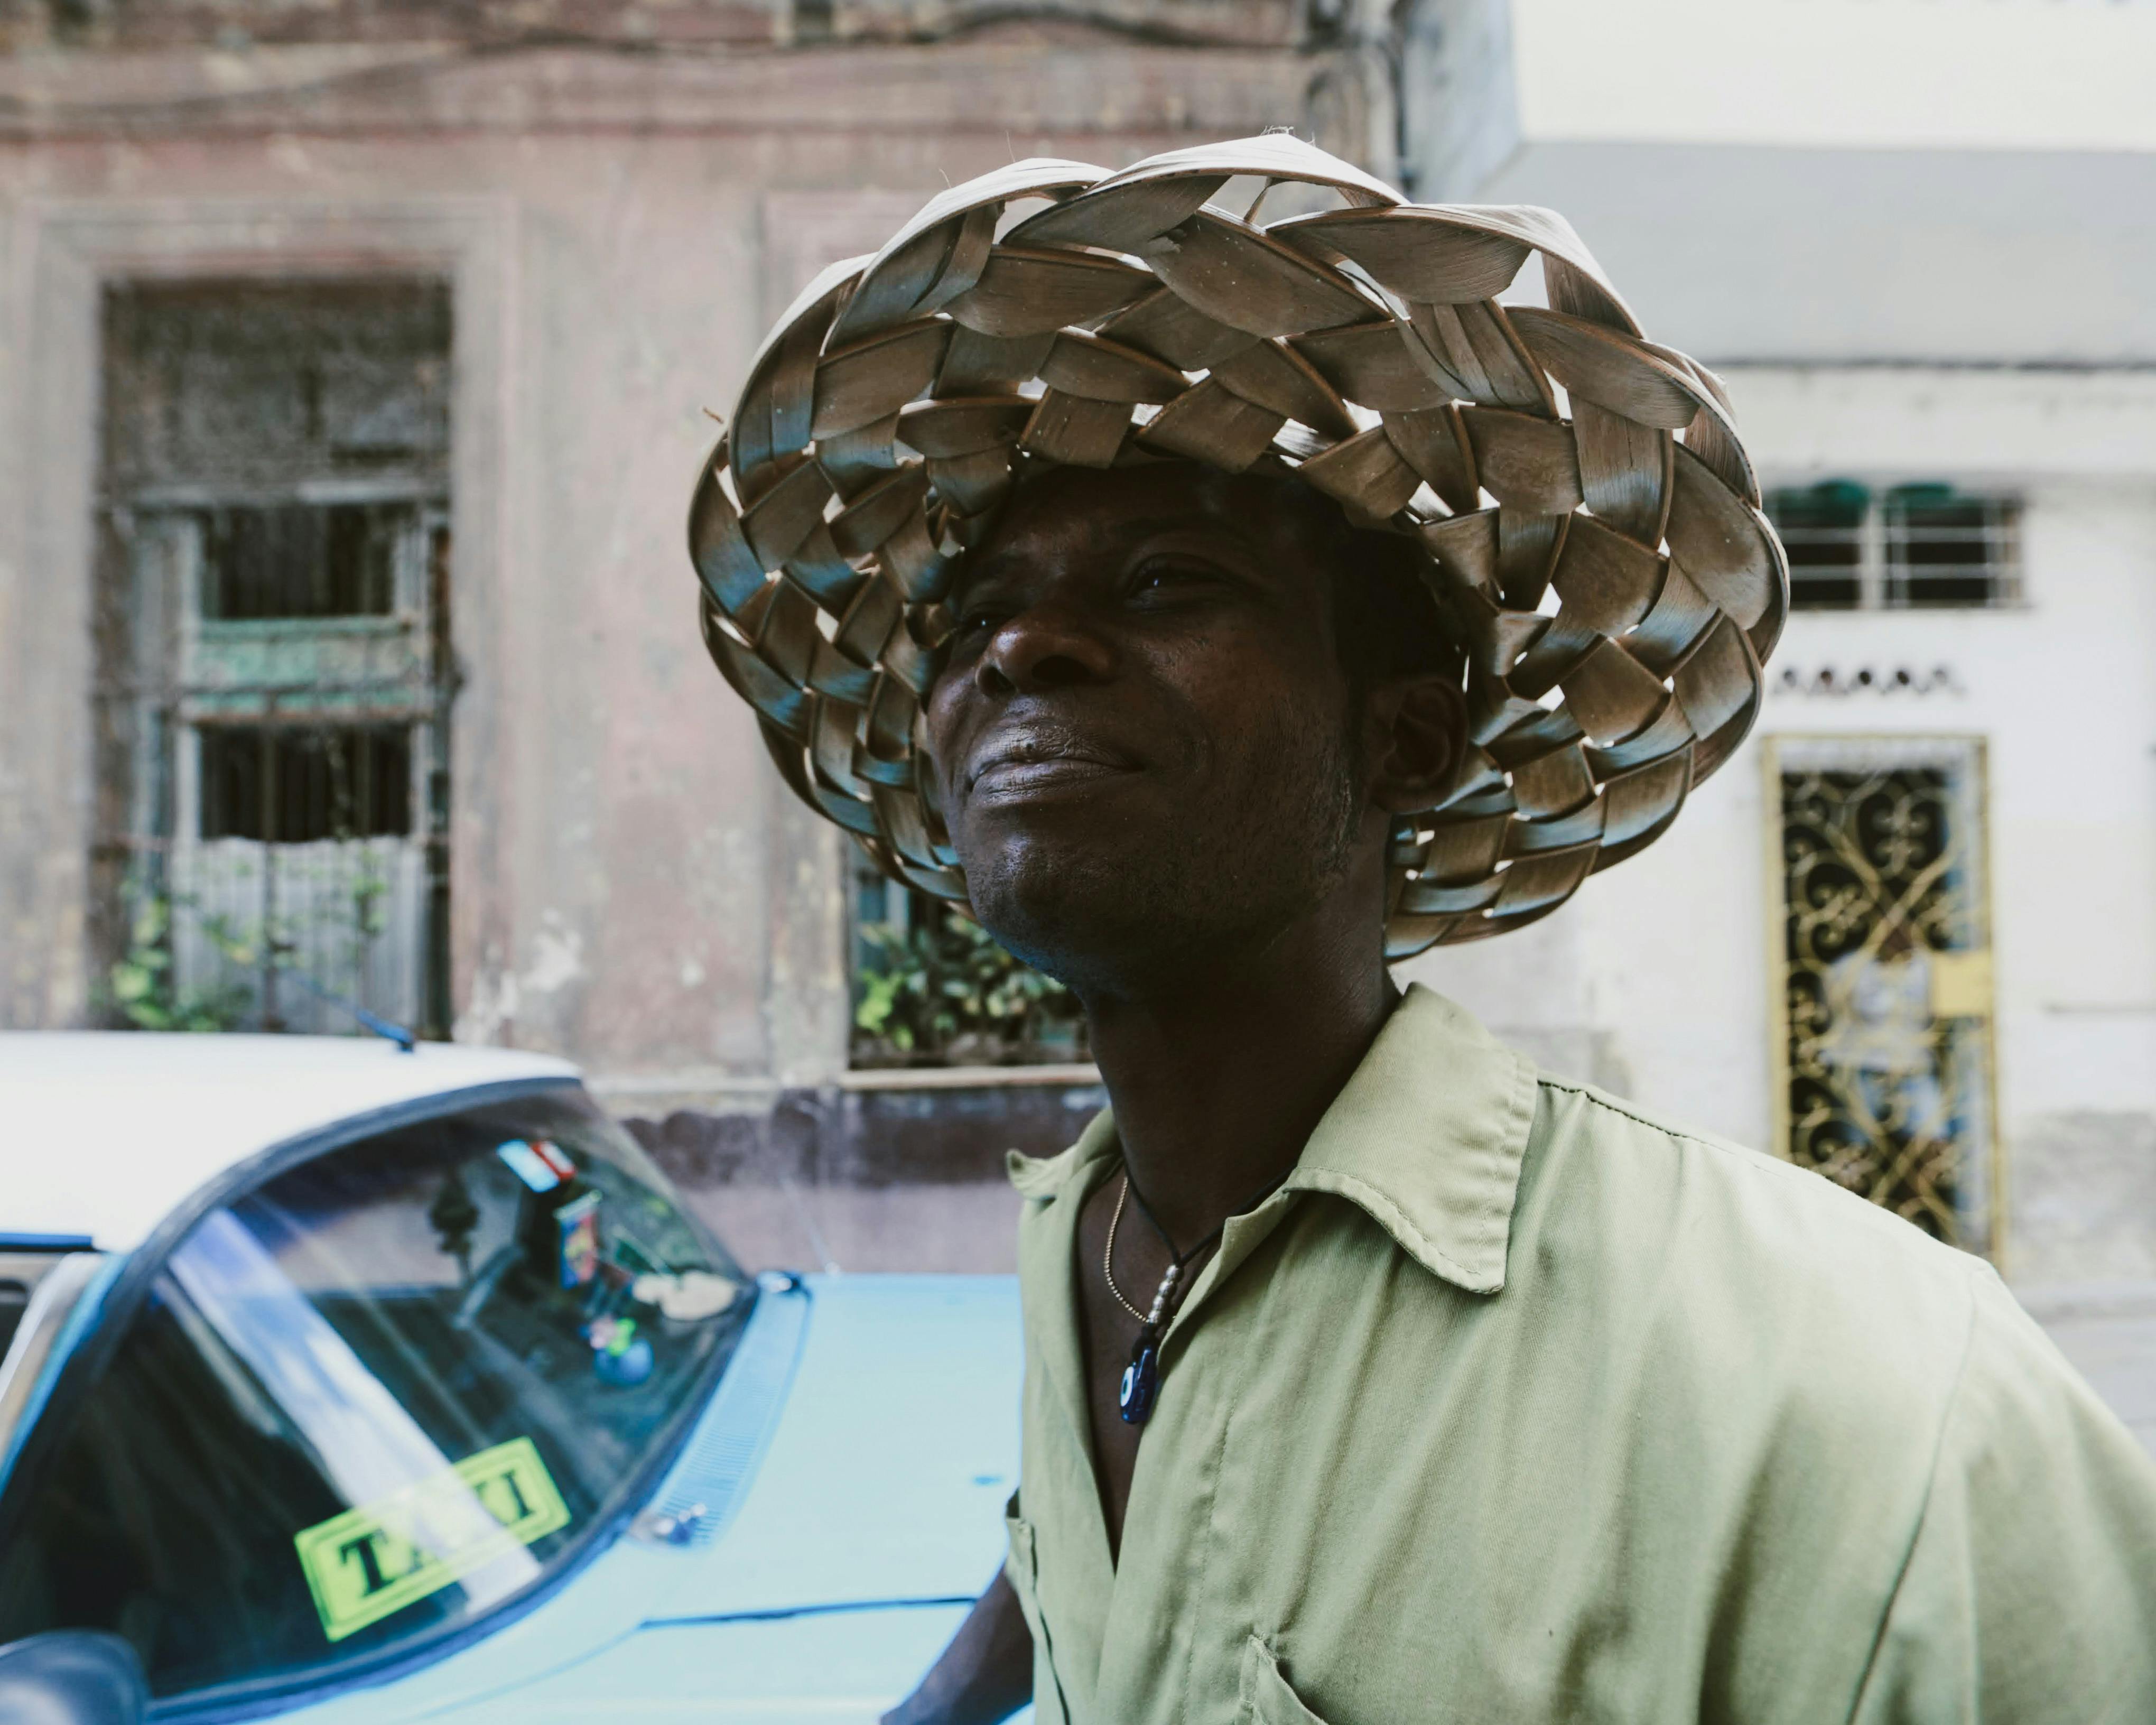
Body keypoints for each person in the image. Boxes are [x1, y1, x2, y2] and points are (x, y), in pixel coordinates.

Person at [688, 137, 2156, 1725]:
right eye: (977, 619)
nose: (1027, 646)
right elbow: (1088, 1563)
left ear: (1405, 740)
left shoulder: (1875, 1408)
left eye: (1171, 580)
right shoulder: (1088, 1241)